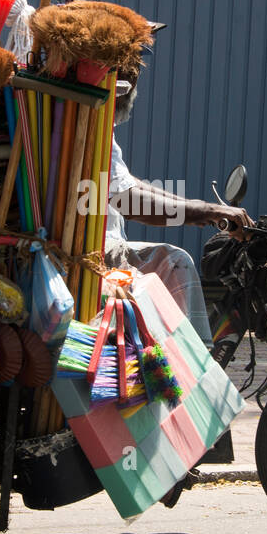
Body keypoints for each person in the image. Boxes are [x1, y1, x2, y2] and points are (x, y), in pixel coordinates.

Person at [102, 65, 251, 349]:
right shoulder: (88, 122)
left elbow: (129, 185)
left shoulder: (101, 127)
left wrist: (202, 209)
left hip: (107, 243)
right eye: (130, 75)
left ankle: (188, 353)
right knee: (175, 262)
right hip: (93, 254)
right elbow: (129, 201)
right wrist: (206, 211)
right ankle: (189, 361)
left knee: (173, 259)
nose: (135, 84)